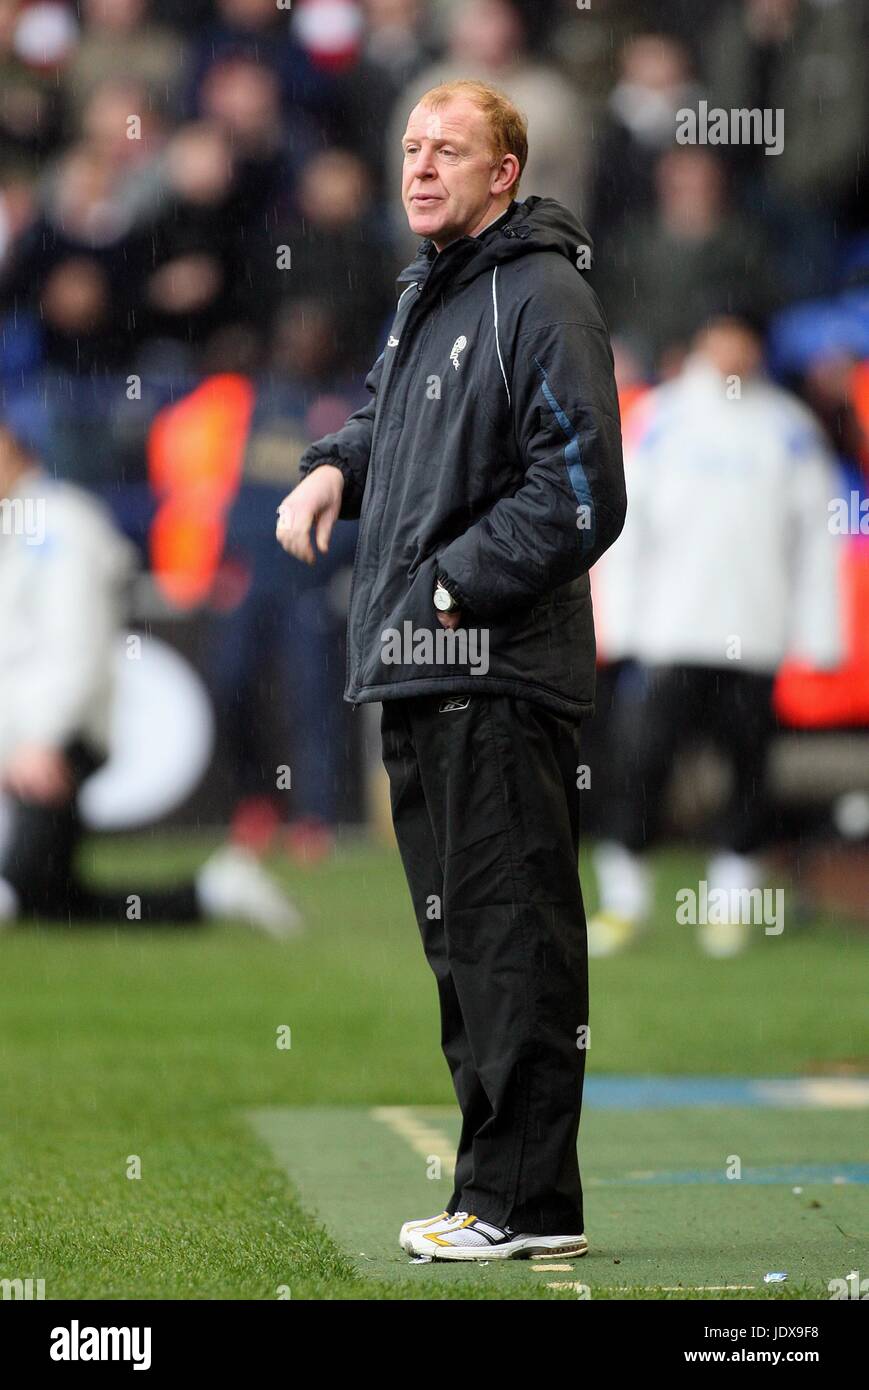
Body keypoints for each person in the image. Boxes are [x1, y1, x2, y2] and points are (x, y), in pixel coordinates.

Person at [276, 79, 626, 1260]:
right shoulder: (434, 288)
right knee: (464, 948)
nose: (420, 167)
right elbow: (396, 421)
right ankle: (496, 1194)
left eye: (449, 151)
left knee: (508, 937)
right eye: (412, 147)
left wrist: (450, 584)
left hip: (492, 666)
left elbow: (580, 492)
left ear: (504, 173)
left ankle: (524, 1206)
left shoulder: (541, 294)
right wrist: (336, 466)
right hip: (426, 666)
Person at [588, 315, 844, 959]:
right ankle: (624, 903)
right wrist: (617, 622)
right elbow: (624, 524)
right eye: (721, 337)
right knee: (641, 764)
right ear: (701, 343)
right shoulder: (660, 421)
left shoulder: (788, 429)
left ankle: (730, 907)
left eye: (744, 340)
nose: (732, 352)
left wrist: (820, 635)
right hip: (670, 633)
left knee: (748, 772)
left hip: (754, 634)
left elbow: (817, 539)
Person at [0, 395, 301, 938]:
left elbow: (78, 641)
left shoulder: (56, 522)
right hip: (25, 742)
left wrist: (42, 737)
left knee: (23, 888)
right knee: (47, 897)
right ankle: (212, 891)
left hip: (51, 739)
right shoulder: (24, 526)